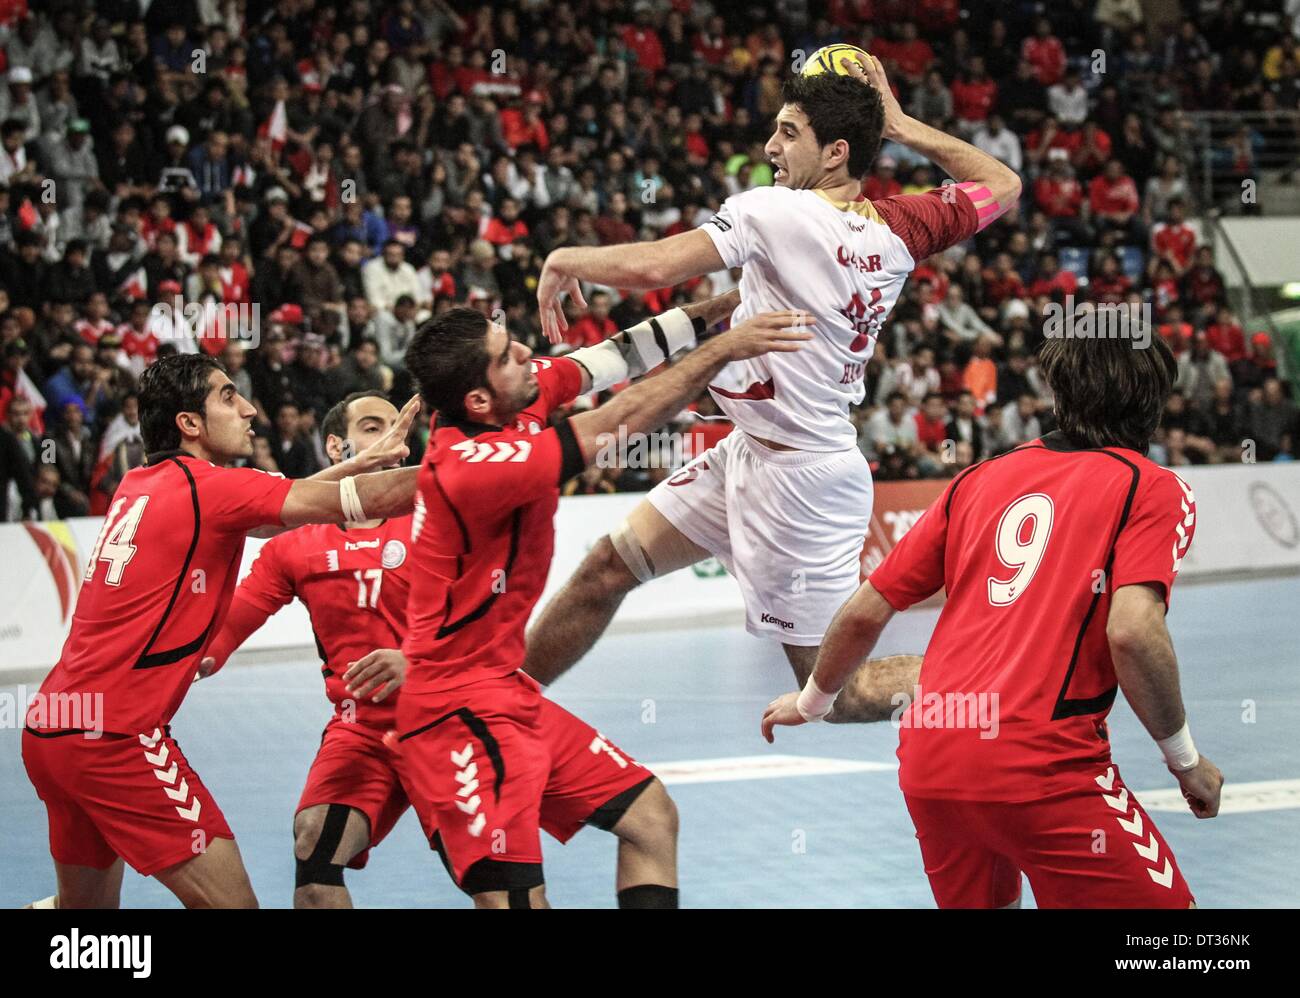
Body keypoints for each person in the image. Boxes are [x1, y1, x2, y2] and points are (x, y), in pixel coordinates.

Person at [527, 55, 1019, 692]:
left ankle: (1009, 672)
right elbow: (1002, 184)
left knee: (837, 693)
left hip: (799, 482)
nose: (770, 146)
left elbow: (660, 266)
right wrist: (900, 126)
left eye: (789, 132)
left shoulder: (773, 211)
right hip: (751, 452)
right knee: (606, 567)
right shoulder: (901, 228)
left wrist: (566, 256)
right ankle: (500, 703)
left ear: (836, 152)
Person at [762, 332, 1222, 909]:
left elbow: (863, 612)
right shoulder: (1151, 488)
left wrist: (811, 702)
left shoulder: (976, 479)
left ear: (1057, 395)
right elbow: (1132, 631)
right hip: (1044, 769)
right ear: (1154, 402)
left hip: (933, 763)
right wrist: (1185, 761)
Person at [397, 293, 812, 908]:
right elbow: (611, 424)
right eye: (504, 357)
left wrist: (721, 307)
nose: (523, 354)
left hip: (503, 690)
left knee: (649, 816)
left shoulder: (512, 395)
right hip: (454, 713)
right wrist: (726, 346)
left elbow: (611, 360)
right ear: (478, 400)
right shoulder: (467, 465)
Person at [22, 354, 421, 909]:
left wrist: (363, 461)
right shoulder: (211, 488)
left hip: (53, 727)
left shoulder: (141, 483)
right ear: (190, 423)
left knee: (81, 920)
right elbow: (354, 503)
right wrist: (487, 464)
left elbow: (277, 509)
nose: (249, 409)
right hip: (117, 738)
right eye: (229, 397)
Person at [199, 391, 434, 909]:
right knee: (313, 853)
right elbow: (224, 632)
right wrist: (175, 658)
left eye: (399, 426)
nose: (394, 438)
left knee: (493, 881)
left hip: (447, 718)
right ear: (336, 446)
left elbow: (492, 621)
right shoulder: (295, 543)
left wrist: (416, 659)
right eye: (374, 427)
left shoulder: (434, 515)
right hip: (363, 732)